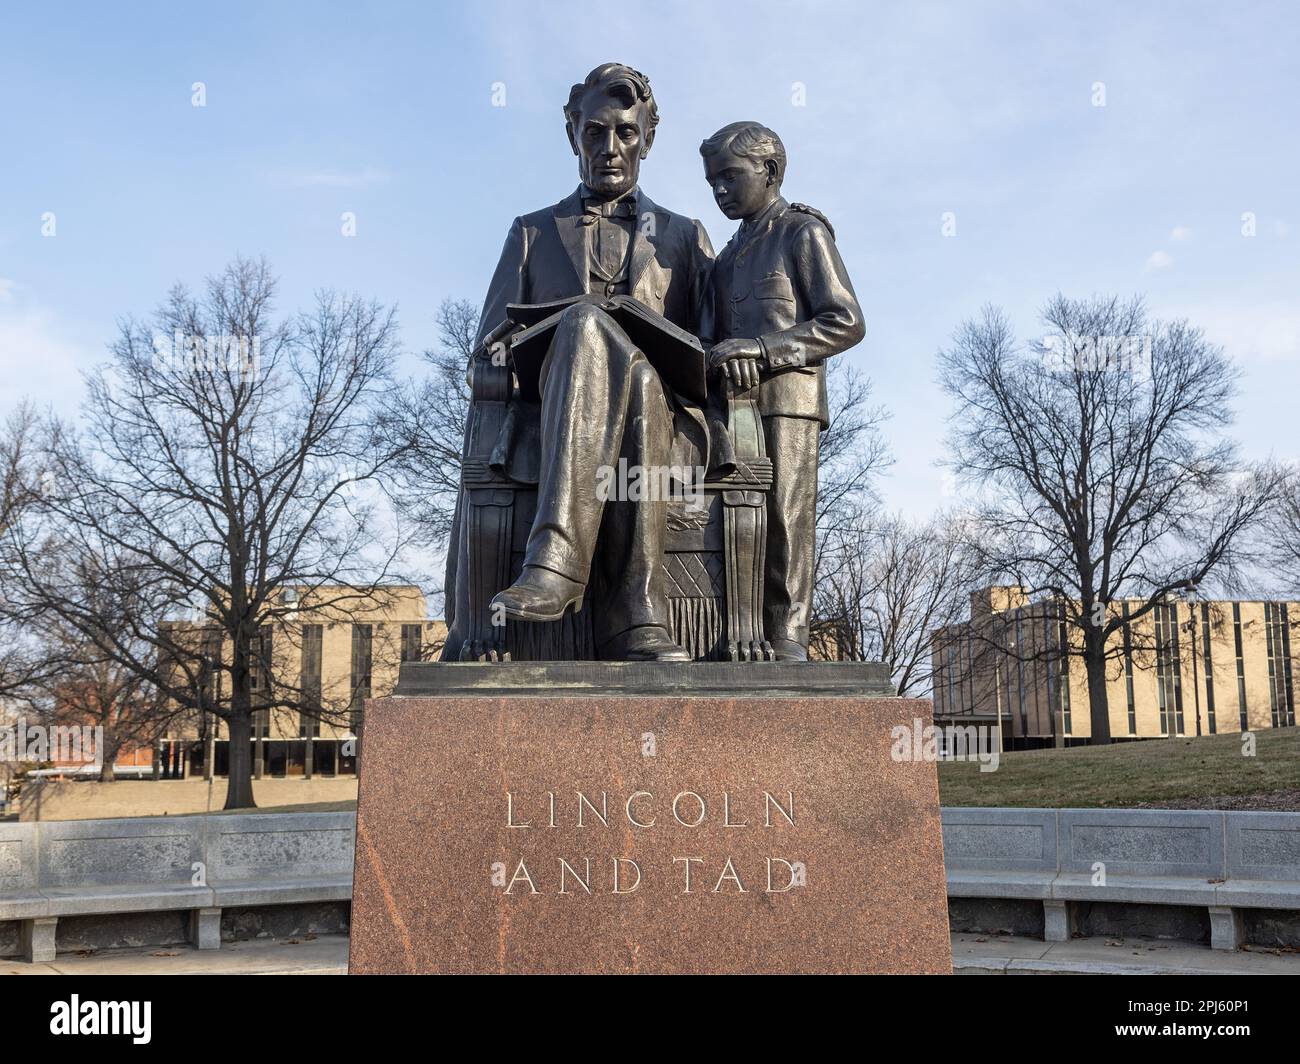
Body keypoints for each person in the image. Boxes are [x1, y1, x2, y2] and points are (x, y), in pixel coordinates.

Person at [700, 121, 866, 660]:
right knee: (736, 516)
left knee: (785, 517)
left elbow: (846, 321)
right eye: (712, 182)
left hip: (789, 403)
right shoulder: (724, 258)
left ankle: (787, 634)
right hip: (732, 407)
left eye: (729, 176)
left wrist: (764, 351)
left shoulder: (802, 232)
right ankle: (741, 631)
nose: (720, 190)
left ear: (769, 171)